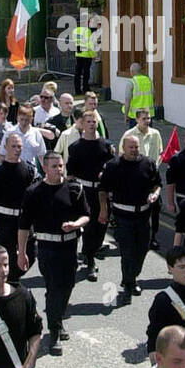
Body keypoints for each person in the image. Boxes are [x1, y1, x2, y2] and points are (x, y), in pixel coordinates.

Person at [18, 152, 89, 354]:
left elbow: (86, 215)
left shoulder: (75, 189)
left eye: (60, 166)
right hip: (48, 248)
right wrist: (21, 252)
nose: (58, 170)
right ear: (45, 168)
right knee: (54, 287)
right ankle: (54, 331)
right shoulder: (34, 192)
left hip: (68, 247)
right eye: (54, 166)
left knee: (67, 285)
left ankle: (56, 318)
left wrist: (75, 224)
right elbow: (23, 226)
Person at [98, 134, 161, 306]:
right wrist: (103, 210)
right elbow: (103, 190)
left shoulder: (148, 163)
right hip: (123, 217)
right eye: (130, 147)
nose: (134, 150)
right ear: (123, 148)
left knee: (142, 249)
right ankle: (128, 286)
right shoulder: (113, 166)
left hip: (143, 215)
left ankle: (131, 277)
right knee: (127, 252)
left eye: (136, 147)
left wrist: (154, 194)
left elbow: (157, 184)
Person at [65, 110, 114, 280]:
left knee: (101, 224)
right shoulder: (75, 147)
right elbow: (70, 174)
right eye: (89, 122)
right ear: (82, 124)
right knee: (88, 226)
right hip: (83, 191)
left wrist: (106, 173)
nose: (92, 124)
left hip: (101, 191)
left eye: (94, 121)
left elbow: (111, 165)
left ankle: (88, 252)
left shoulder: (105, 145)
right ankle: (91, 260)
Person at [0, 131, 36, 283]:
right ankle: (10, 281)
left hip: (24, 219)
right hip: (4, 220)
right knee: (7, 254)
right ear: (5, 147)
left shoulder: (29, 170)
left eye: (19, 146)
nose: (17, 149)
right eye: (13, 146)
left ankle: (13, 278)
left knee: (30, 253)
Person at [120, 108, 164, 248]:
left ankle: (153, 237)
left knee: (155, 208)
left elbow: (160, 152)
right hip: (135, 177)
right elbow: (122, 155)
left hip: (151, 177)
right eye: (144, 118)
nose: (147, 121)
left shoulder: (155, 134)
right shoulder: (129, 134)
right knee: (139, 208)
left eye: (149, 118)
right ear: (137, 119)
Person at [146, 250, 185, 356]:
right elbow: (154, 332)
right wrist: (153, 354)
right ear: (170, 269)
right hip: (176, 355)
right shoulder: (163, 299)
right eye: (182, 267)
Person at [2, 103, 47, 171]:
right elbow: (2, 154)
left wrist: (46, 170)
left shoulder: (36, 133)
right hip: (12, 170)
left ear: (32, 119)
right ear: (17, 117)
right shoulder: (10, 132)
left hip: (30, 171)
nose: (24, 122)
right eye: (22, 119)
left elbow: (42, 154)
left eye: (27, 120)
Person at [73, 16, 98, 96]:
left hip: (78, 53)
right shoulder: (88, 31)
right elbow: (90, 44)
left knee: (78, 72)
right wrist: (94, 55)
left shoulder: (75, 30)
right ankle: (85, 88)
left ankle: (77, 90)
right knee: (86, 72)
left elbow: (75, 41)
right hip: (87, 55)